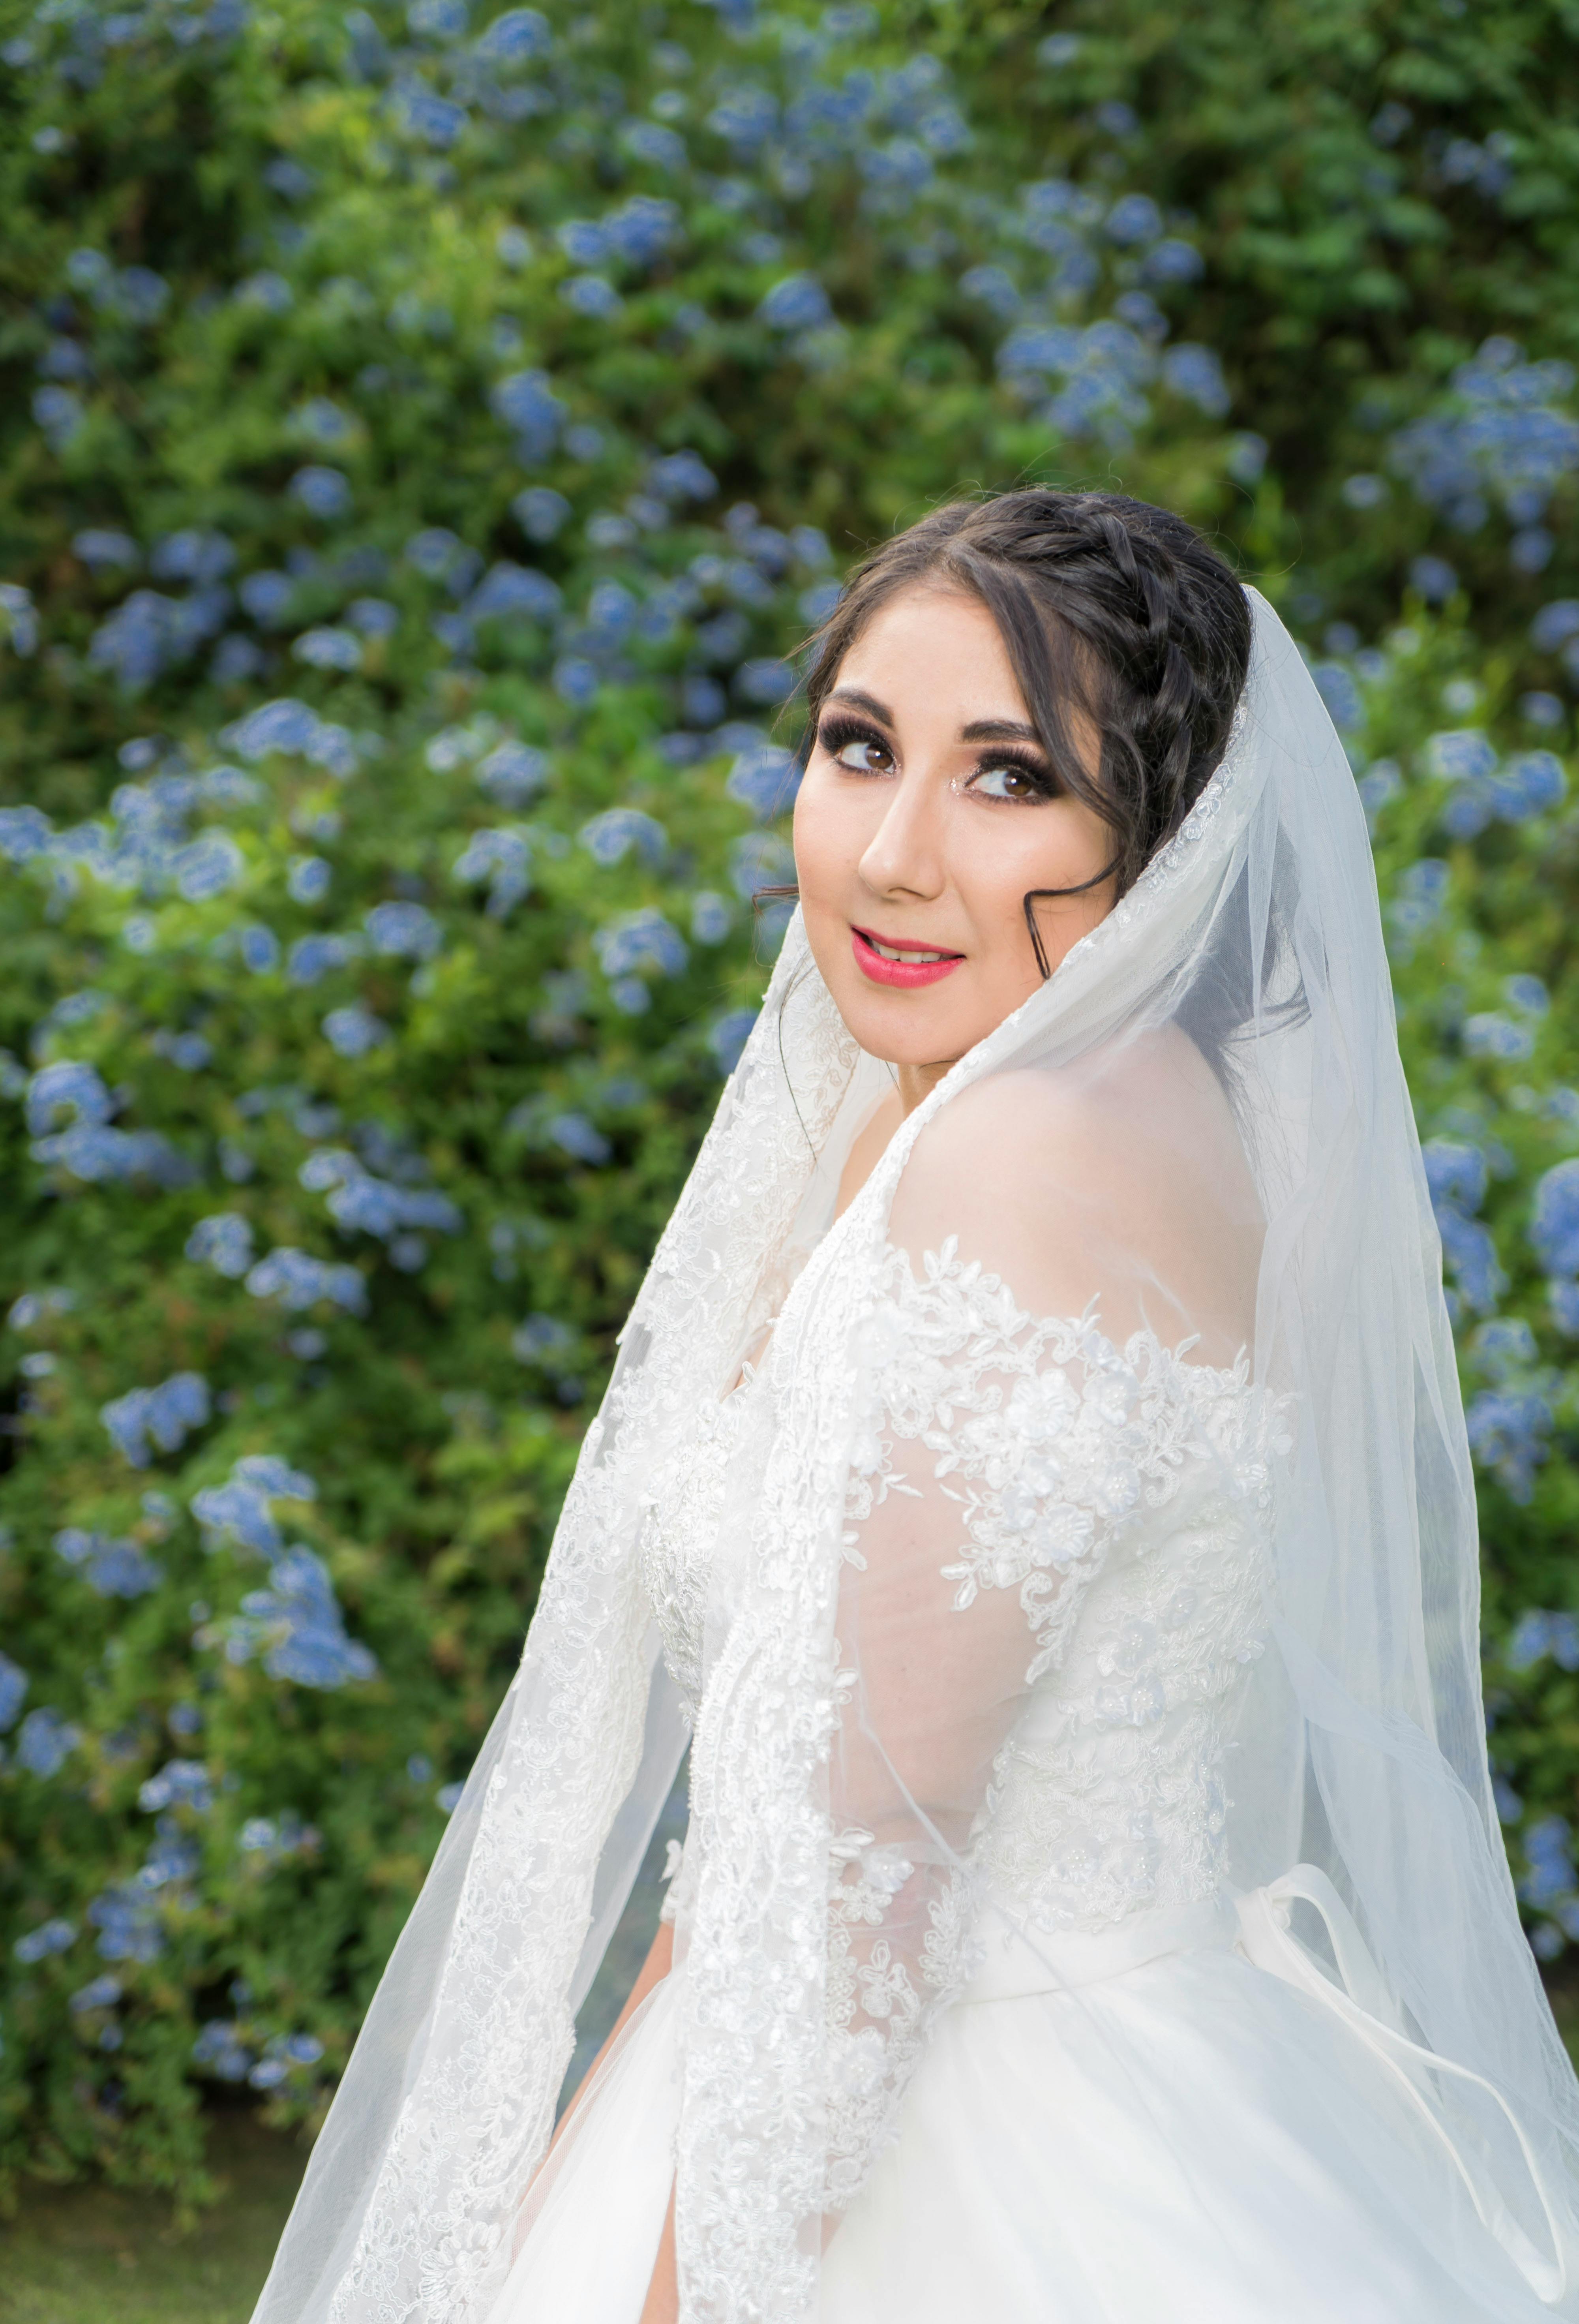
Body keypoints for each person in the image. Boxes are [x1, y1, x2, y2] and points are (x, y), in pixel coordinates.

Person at [253, 491, 1579, 2324]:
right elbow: (771, 1833)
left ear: (1170, 832)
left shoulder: (1023, 1155)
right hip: (827, 2045)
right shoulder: (1024, 1100)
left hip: (963, 2160)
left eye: (1008, 777)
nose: (887, 854)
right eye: (857, 748)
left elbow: (873, 1857)